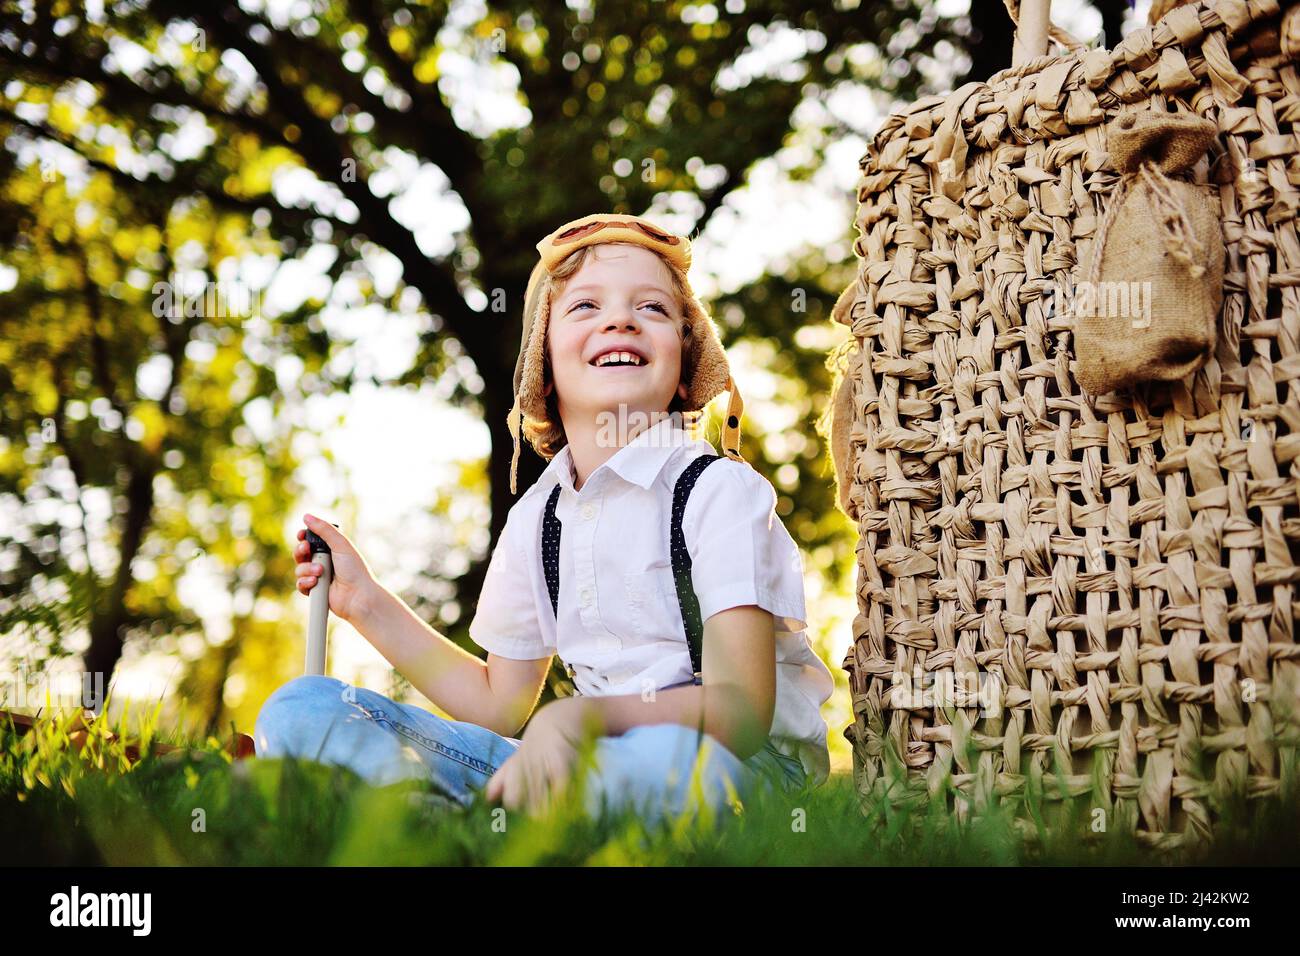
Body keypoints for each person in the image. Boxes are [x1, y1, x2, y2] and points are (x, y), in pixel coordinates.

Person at [254, 213, 836, 829]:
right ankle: (428, 813)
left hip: (735, 768)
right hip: (587, 763)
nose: (621, 319)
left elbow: (741, 713)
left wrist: (582, 719)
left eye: (654, 309)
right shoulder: (540, 517)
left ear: (687, 361)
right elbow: (499, 705)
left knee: (662, 757)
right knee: (302, 706)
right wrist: (364, 601)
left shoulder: (715, 492)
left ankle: (484, 818)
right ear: (543, 359)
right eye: (586, 305)